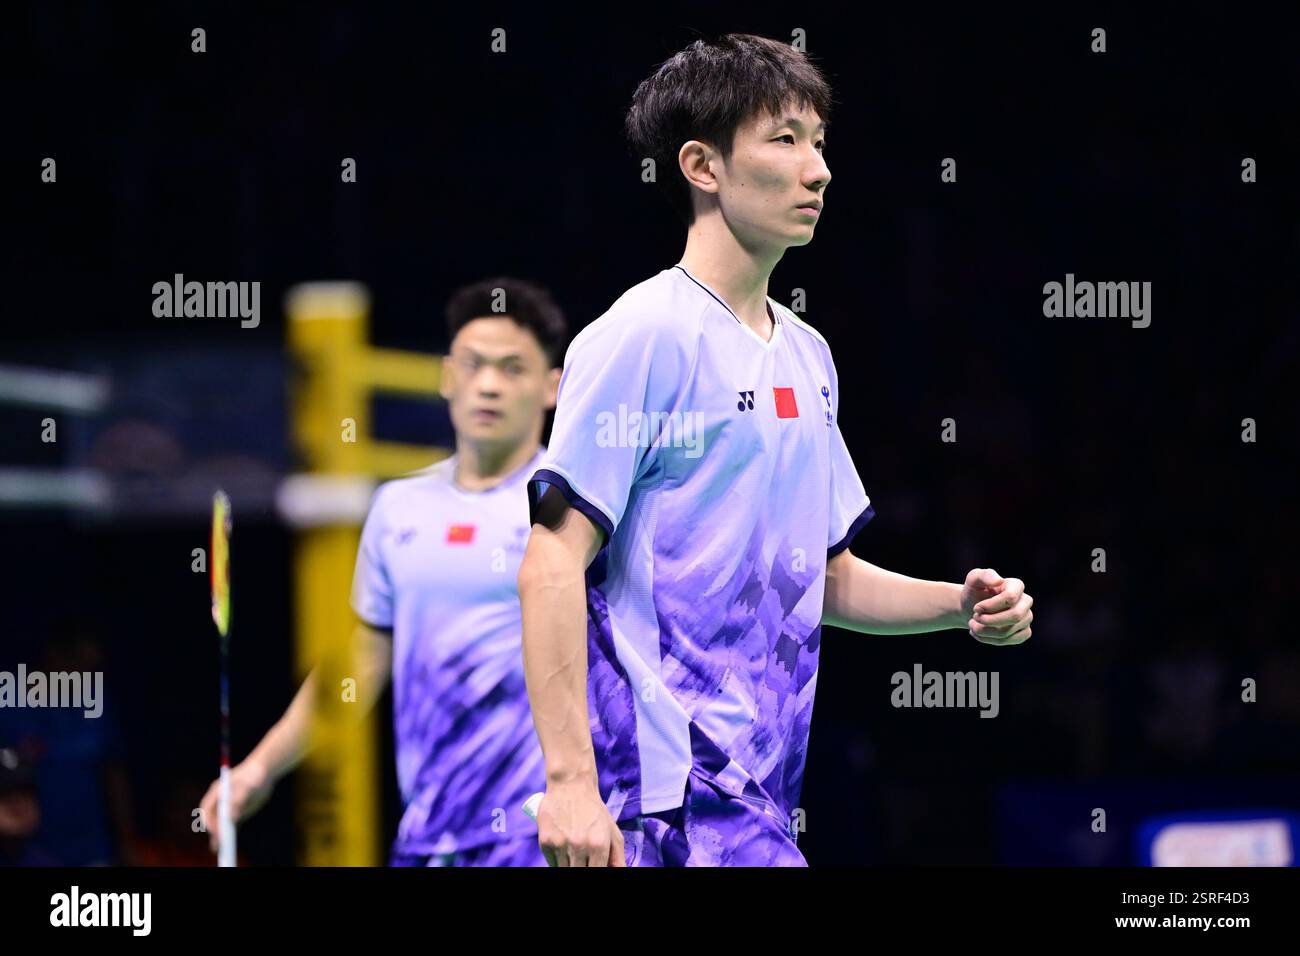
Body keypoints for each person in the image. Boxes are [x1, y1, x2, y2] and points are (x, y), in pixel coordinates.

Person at [518, 34, 1034, 867]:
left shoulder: (808, 354)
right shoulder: (642, 337)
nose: (818, 169)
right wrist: (570, 781)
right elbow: (550, 562)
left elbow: (822, 577)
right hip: (664, 796)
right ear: (701, 165)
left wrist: (960, 606)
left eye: (820, 144)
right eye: (785, 139)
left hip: (760, 793)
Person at [201, 277, 566, 866]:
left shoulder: (570, 505)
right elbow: (355, 670)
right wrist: (259, 769)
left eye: (513, 368)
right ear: (448, 377)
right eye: (473, 365)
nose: (489, 385)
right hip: (425, 840)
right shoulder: (398, 507)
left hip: (539, 839)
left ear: (552, 387)